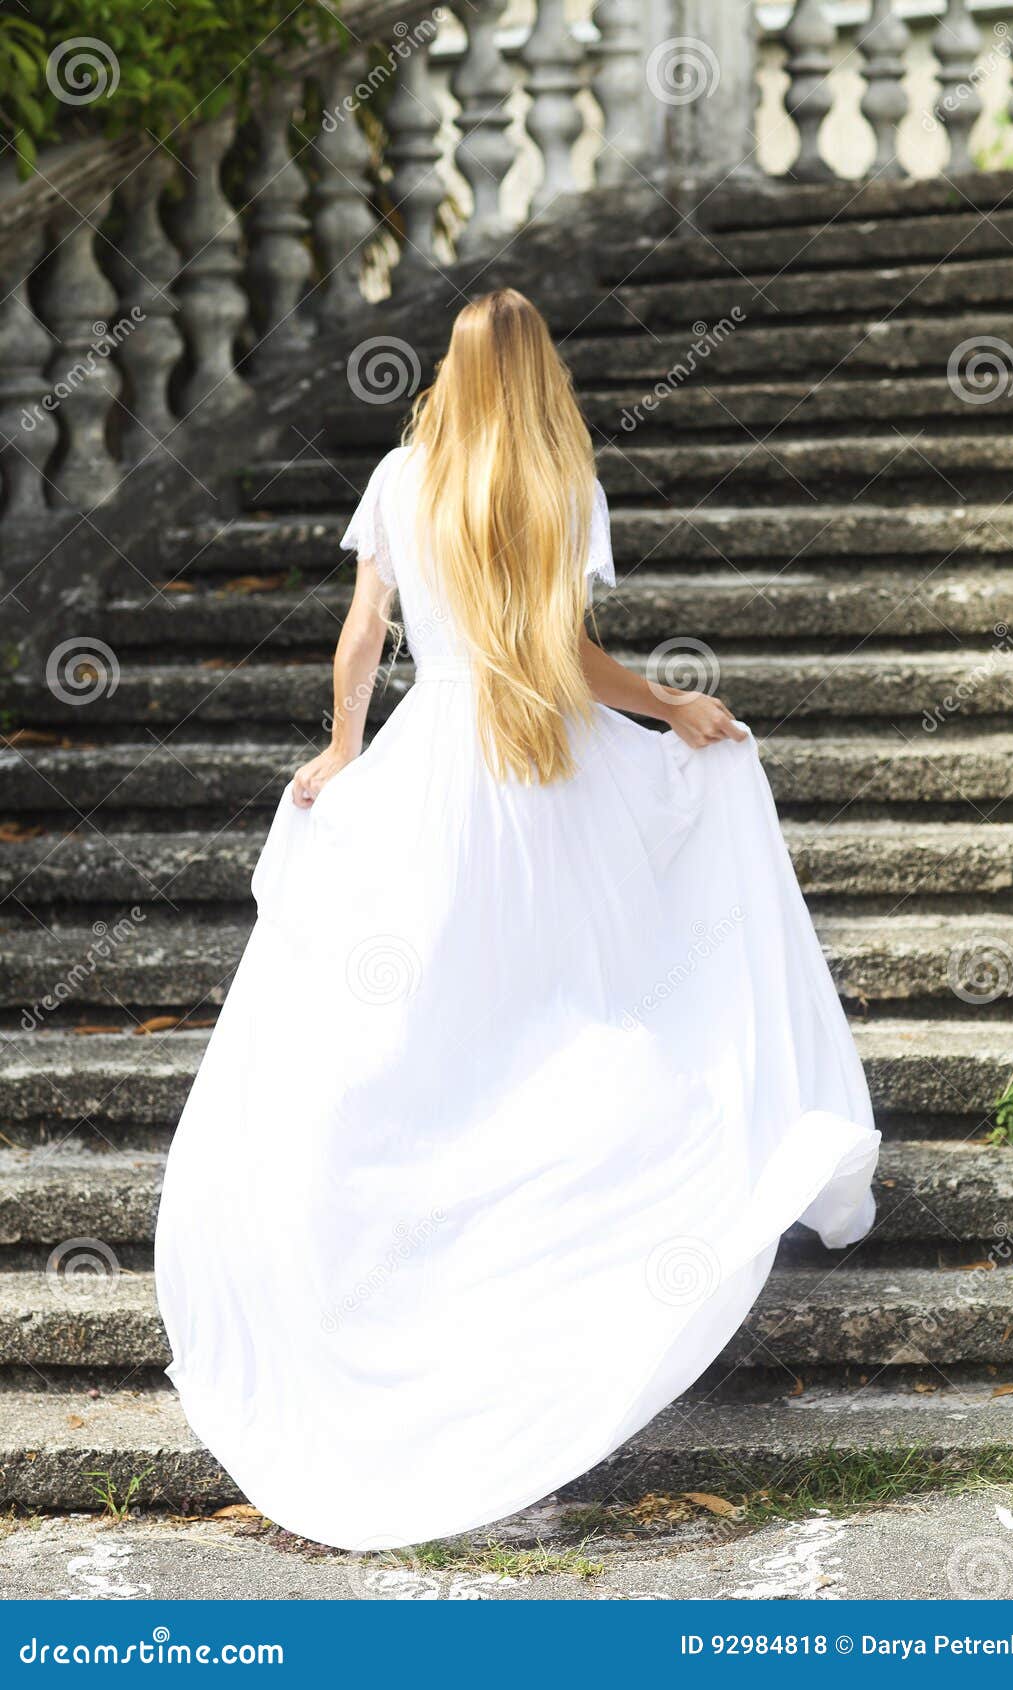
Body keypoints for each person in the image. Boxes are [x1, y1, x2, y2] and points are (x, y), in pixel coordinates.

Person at [155, 288, 879, 1552]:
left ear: (448, 368)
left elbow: (364, 631)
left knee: (431, 1015)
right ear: (540, 373)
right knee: (569, 996)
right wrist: (667, 706)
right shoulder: (560, 483)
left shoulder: (400, 474)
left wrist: (340, 751)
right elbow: (565, 660)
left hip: (437, 763)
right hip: (543, 775)